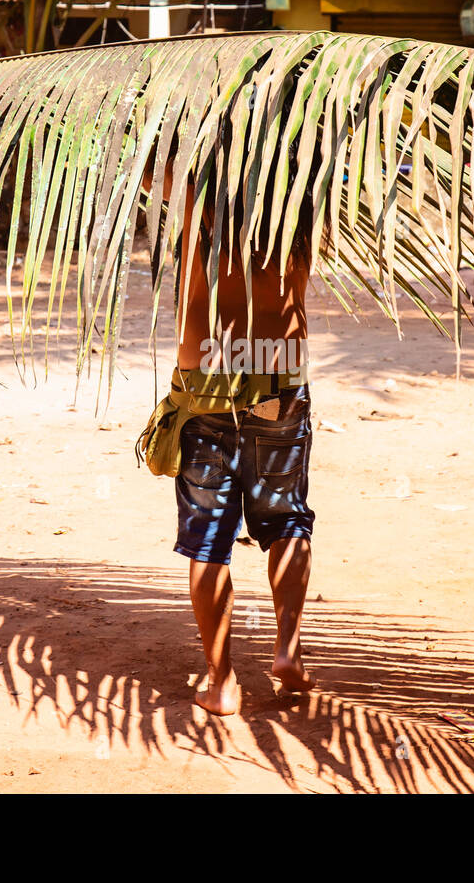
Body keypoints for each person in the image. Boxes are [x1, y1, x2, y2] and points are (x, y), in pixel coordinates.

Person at [136, 146, 322, 717]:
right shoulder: (299, 210)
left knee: (209, 539)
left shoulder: (197, 204)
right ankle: (286, 651)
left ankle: (223, 681)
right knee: (287, 518)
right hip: (279, 387)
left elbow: (149, 168)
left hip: (208, 389)